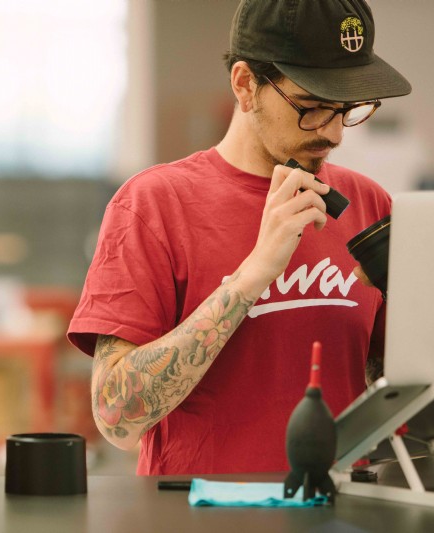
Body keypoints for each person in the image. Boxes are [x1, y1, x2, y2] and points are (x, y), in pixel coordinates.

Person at [67, 0, 412, 475]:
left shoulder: (368, 204)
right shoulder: (152, 205)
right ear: (246, 85)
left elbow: (402, 391)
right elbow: (115, 417)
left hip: (344, 514)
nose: (333, 134)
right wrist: (252, 275)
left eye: (346, 110)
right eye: (311, 109)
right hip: (200, 517)